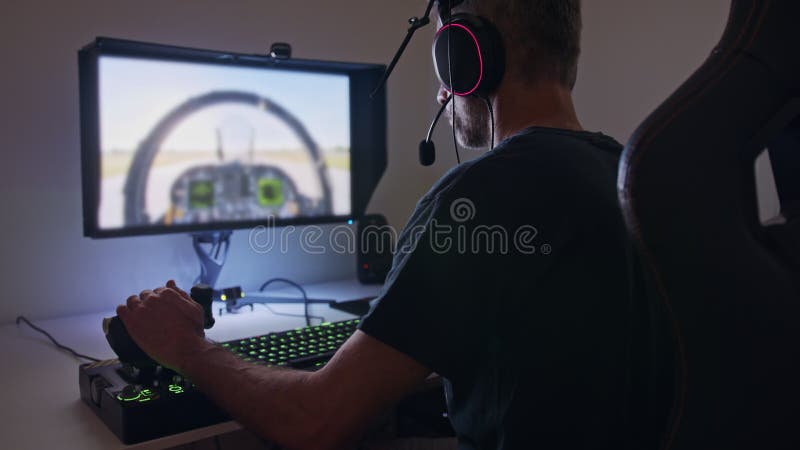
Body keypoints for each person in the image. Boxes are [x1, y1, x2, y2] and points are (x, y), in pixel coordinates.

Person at [119, 1, 661, 449]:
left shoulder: (483, 197)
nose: (441, 95)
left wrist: (186, 347)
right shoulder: (632, 175)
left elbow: (314, 422)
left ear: (464, 58)